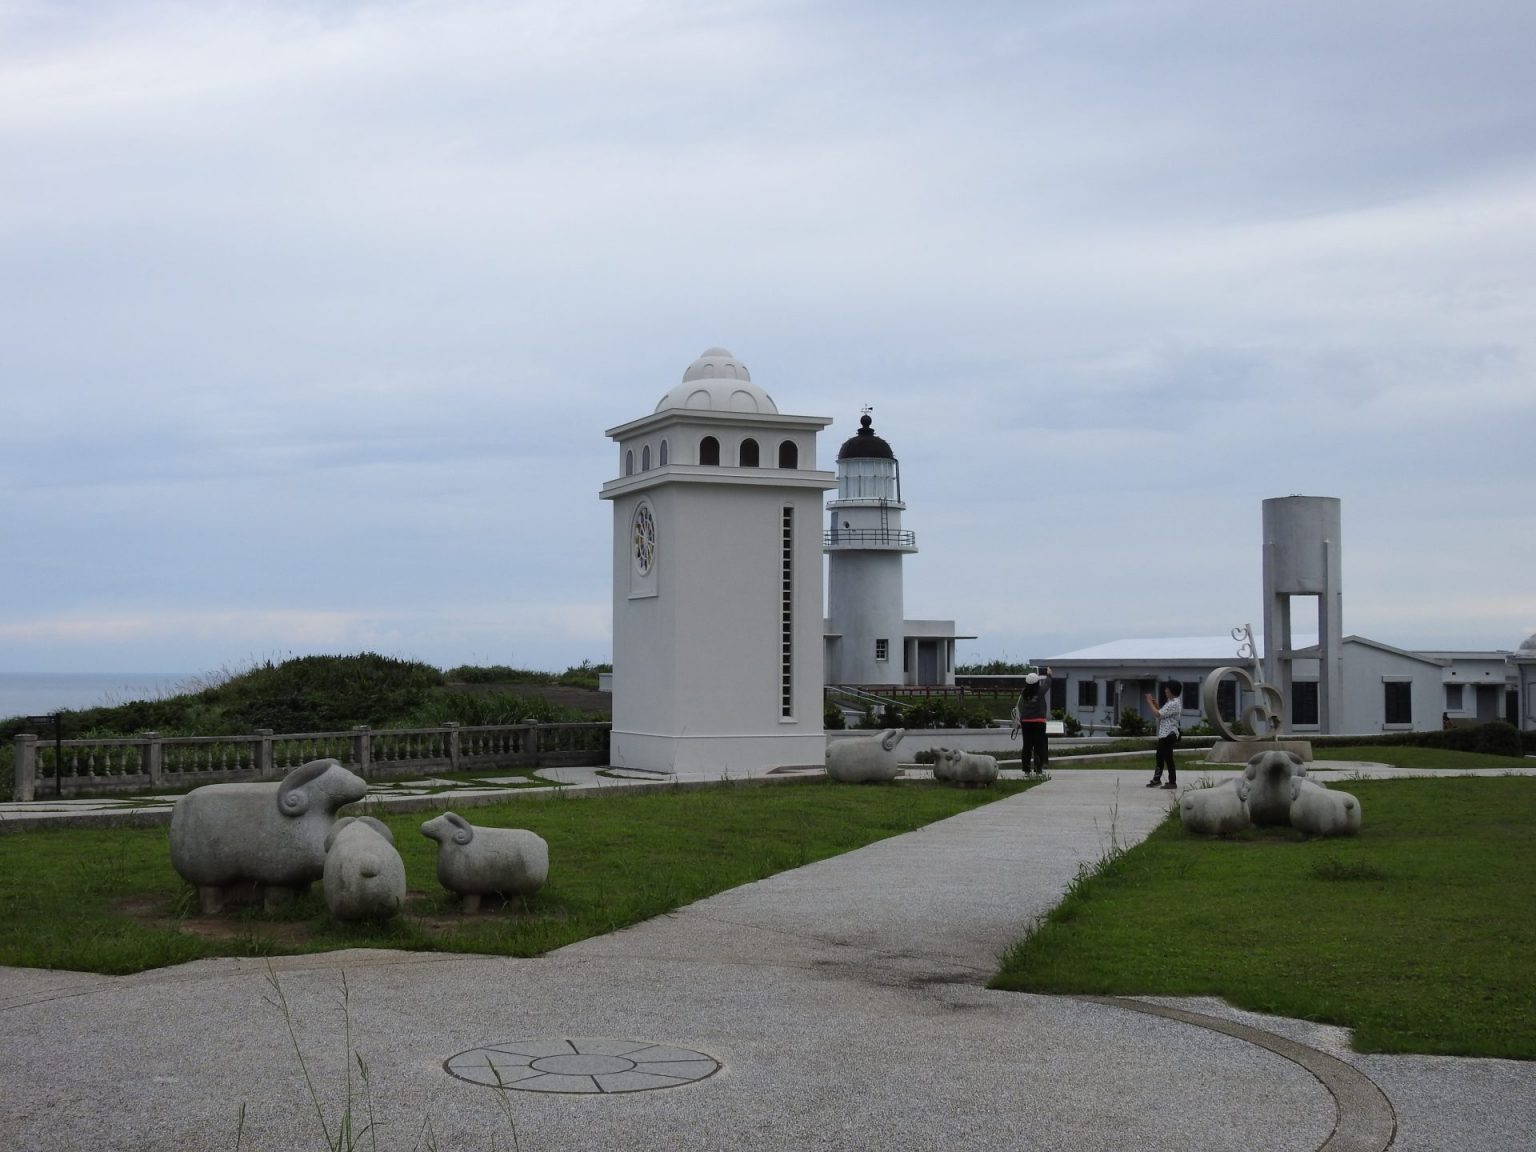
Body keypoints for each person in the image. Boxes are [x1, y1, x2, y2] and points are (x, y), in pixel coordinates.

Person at [1013, 667, 1053, 776]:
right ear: (1037, 682)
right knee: (1039, 746)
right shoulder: (1040, 691)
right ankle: (1038, 769)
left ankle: (1026, 770)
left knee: (1027, 746)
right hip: (1039, 722)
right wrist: (1049, 674)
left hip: (1026, 722)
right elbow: (1047, 684)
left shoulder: (1024, 693)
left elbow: (1020, 706)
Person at [1145, 680, 1184, 789]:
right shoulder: (1172, 702)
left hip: (1168, 734)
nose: (1165, 690)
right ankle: (1157, 779)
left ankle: (1171, 781)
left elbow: (1158, 714)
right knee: (1161, 756)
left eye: (1167, 689)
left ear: (1171, 690)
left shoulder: (1173, 703)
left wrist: (1149, 703)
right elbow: (1162, 714)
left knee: (1167, 758)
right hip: (1166, 734)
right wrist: (1156, 705)